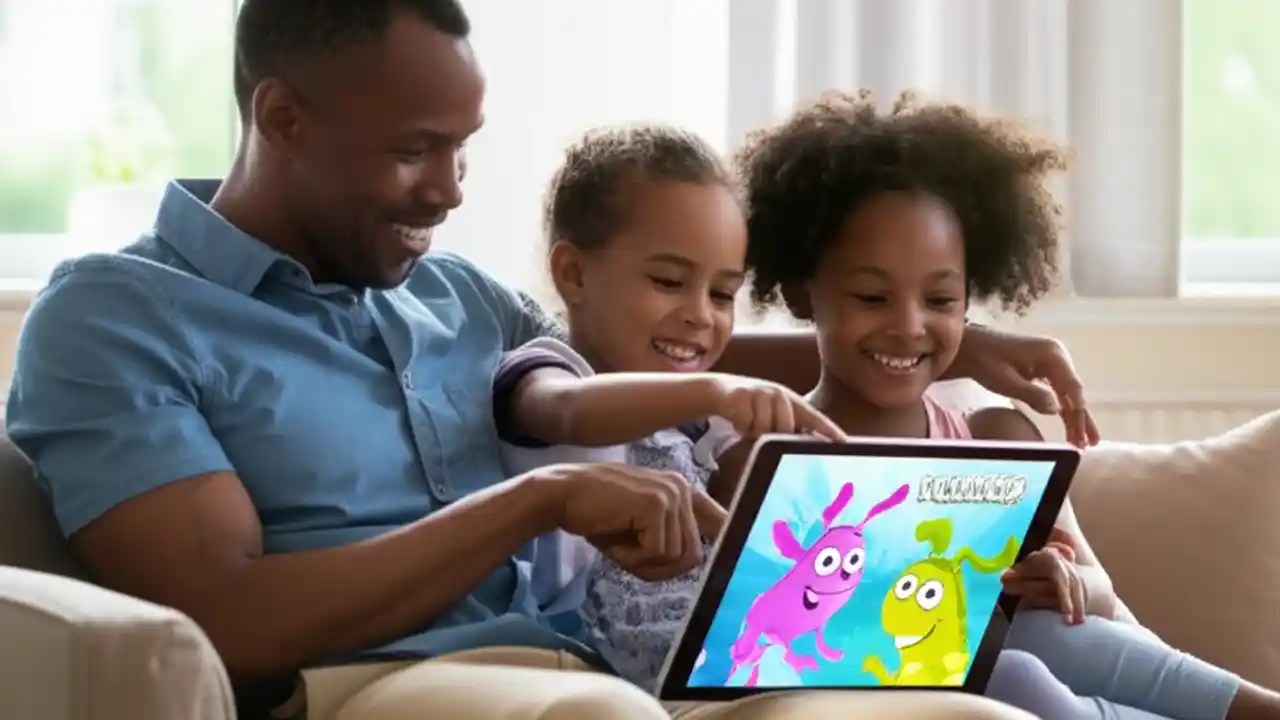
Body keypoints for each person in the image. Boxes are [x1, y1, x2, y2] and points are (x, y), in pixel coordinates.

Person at [4, 2, 1092, 718]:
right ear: (281, 118)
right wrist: (542, 503)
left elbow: (648, 351)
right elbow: (228, 618)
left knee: (963, 710)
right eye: (412, 150)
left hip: (589, 661)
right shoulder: (118, 317)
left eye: (462, 148)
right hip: (366, 684)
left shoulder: (454, 293)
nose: (450, 189)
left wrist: (925, 342)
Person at [729, 88, 1280, 720]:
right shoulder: (762, 452)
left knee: (1040, 639)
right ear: (804, 293)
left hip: (1078, 687)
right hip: (925, 694)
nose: (909, 327)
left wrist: (1068, 584)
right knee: (1007, 668)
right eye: (872, 298)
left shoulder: (994, 433)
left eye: (940, 302)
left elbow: (1101, 601)